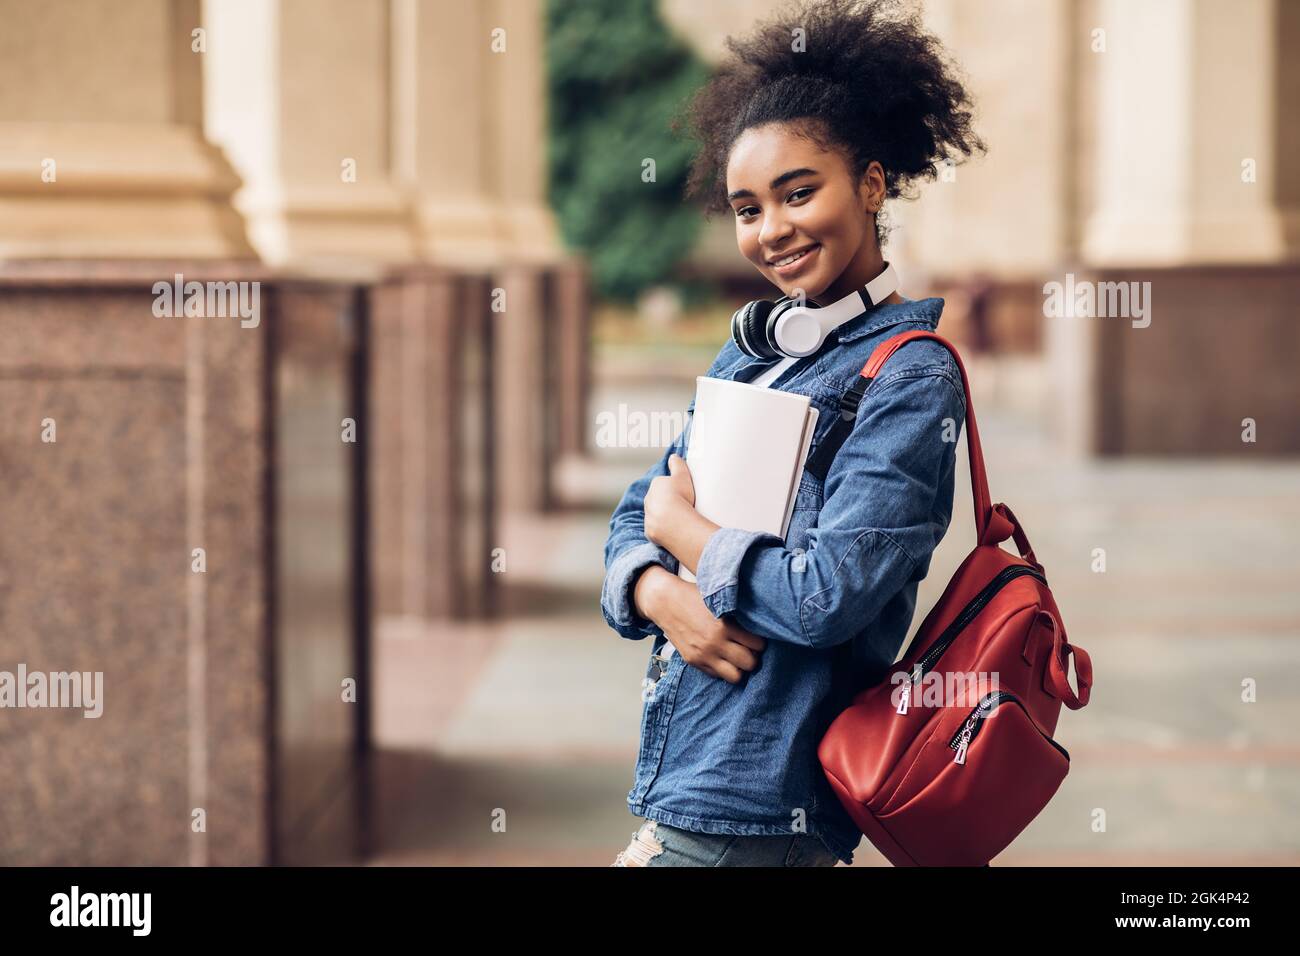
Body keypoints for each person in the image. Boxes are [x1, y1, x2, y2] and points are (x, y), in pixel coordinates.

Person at [603, 0, 986, 867]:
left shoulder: (909, 376)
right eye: (747, 207)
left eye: (798, 191)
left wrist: (687, 538)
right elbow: (637, 513)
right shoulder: (757, 349)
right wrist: (659, 597)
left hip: (764, 809)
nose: (771, 229)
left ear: (874, 185)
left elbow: (829, 596)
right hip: (690, 779)